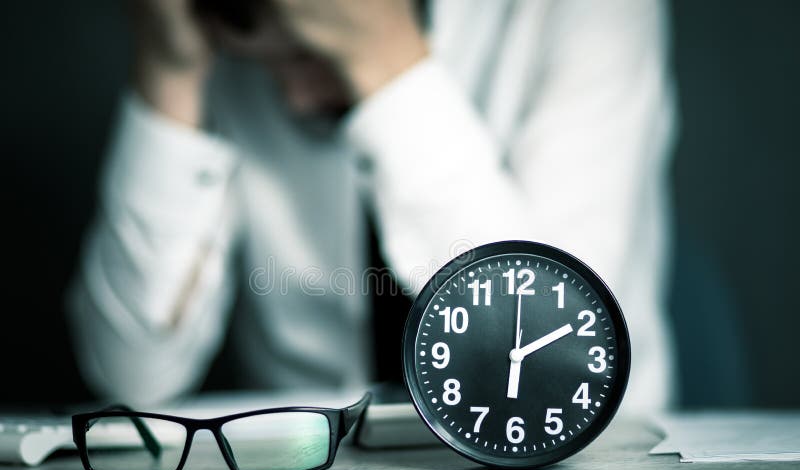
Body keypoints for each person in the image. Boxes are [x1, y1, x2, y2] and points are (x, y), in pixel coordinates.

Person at [68, 0, 677, 412]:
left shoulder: (594, 16)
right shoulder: (217, 48)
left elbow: (560, 367)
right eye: (268, 65)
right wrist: (169, 72)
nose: (295, 100)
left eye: (310, 57)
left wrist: (385, 63)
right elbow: (129, 377)